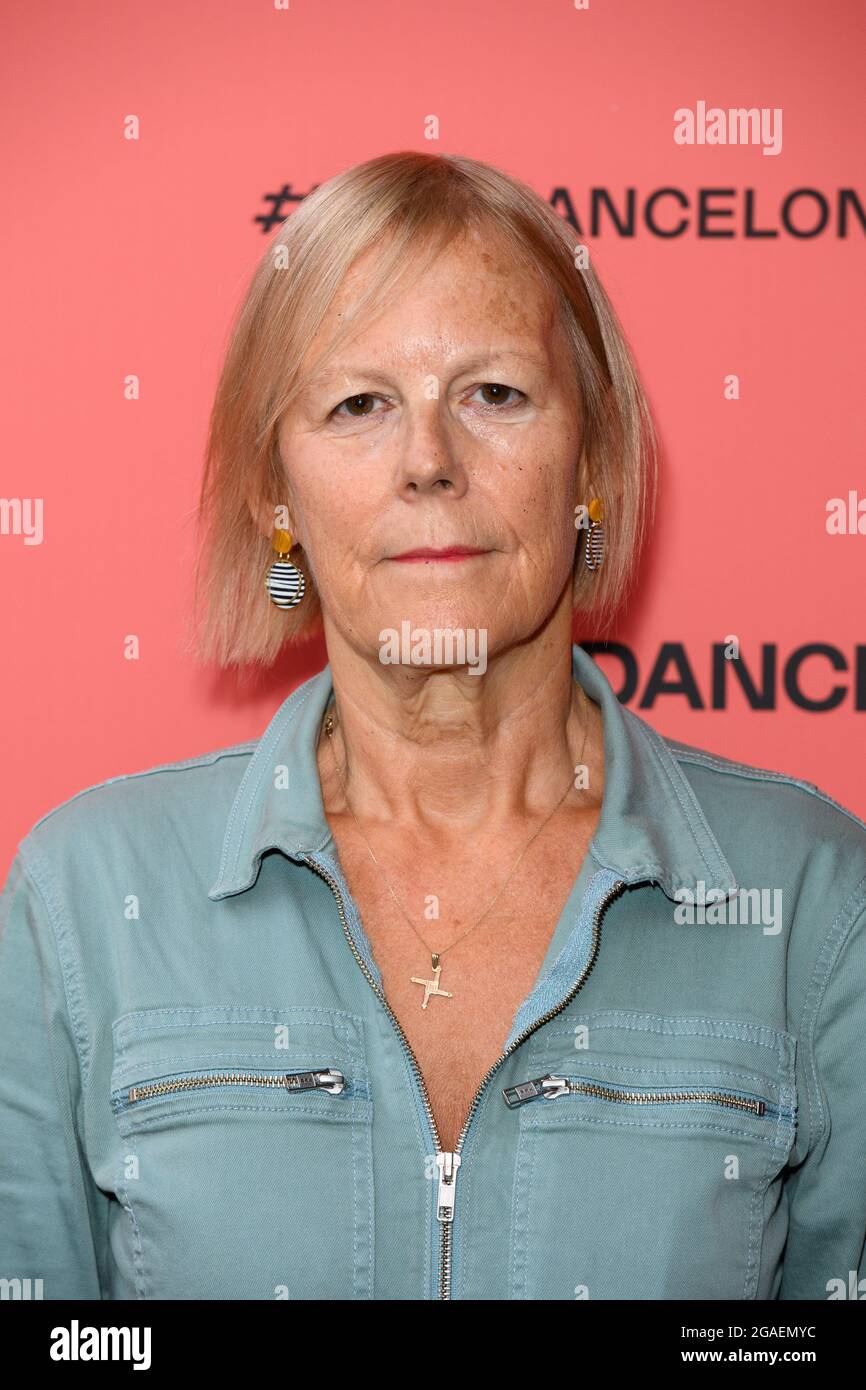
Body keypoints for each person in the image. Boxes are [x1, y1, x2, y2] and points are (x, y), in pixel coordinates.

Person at [1, 151, 864, 1302]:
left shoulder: (812, 898)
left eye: (492, 394)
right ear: (277, 496)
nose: (427, 463)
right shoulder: (83, 897)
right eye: (358, 405)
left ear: (591, 460)